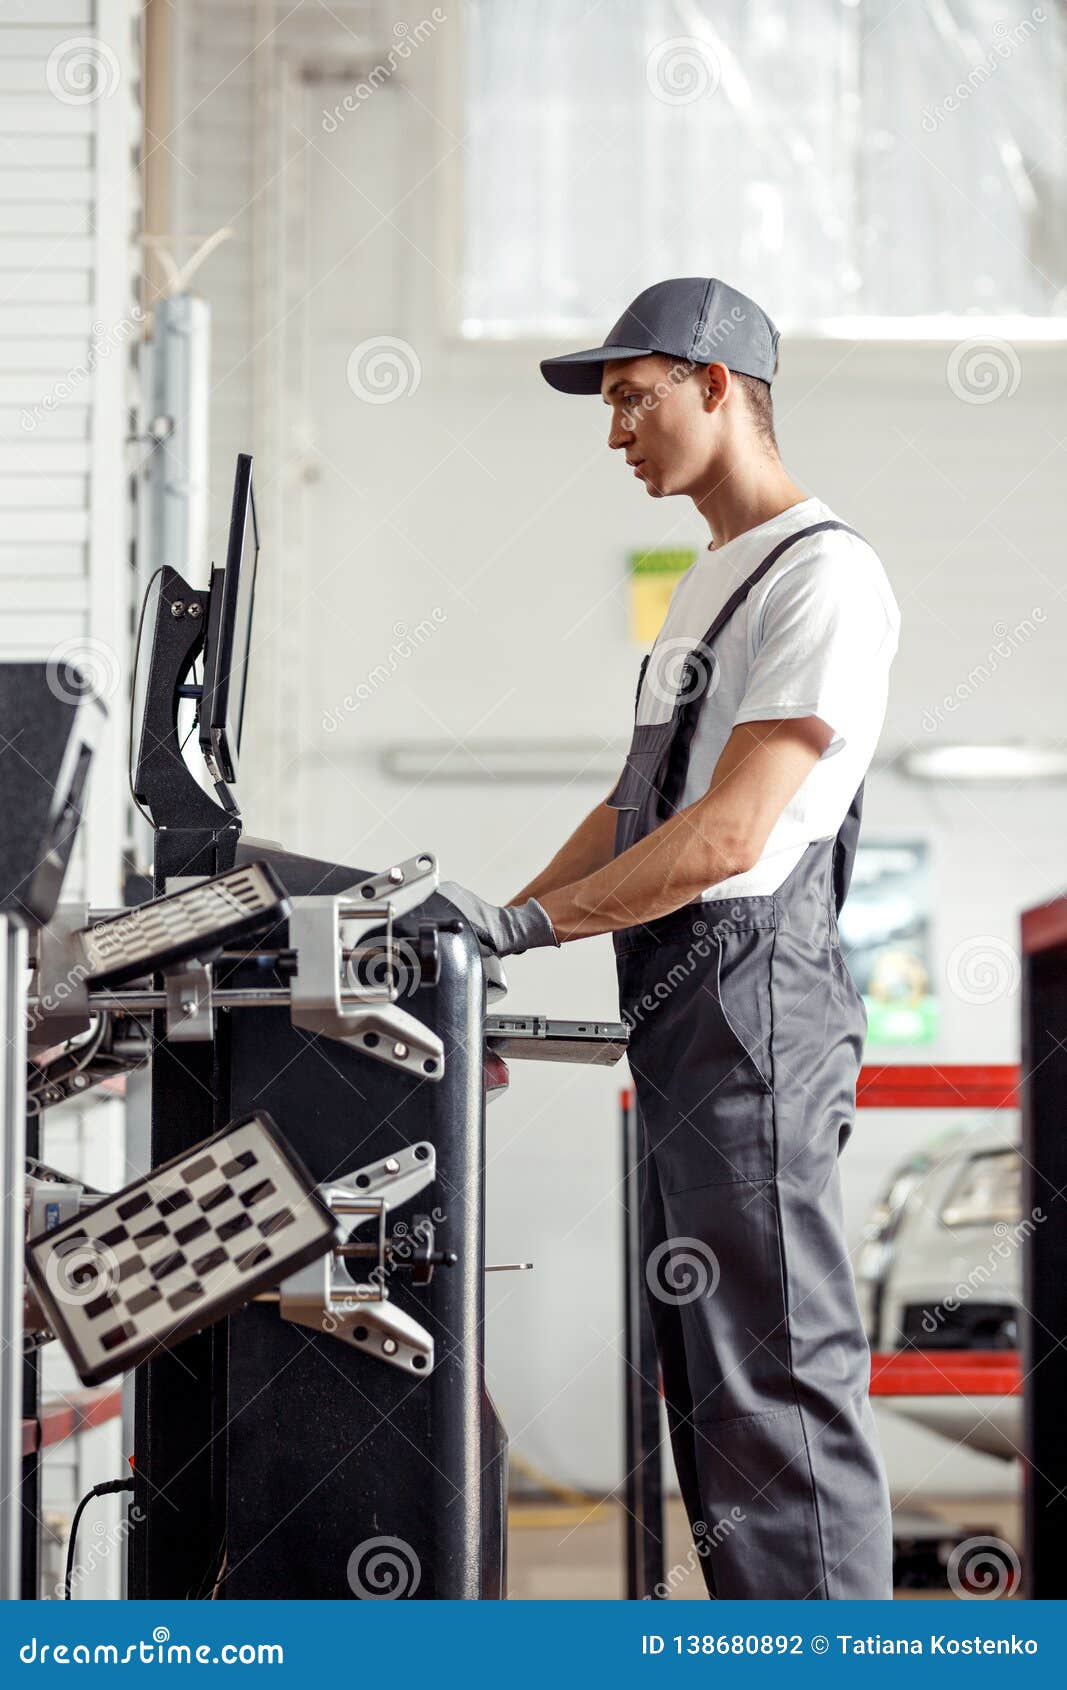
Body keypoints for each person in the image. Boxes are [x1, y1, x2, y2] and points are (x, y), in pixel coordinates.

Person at [441, 277, 900, 1600]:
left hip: (758, 1009)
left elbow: (730, 835)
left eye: (632, 398)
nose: (613, 431)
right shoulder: (712, 582)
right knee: (710, 1376)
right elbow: (633, 806)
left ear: (717, 385)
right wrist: (493, 928)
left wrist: (530, 921)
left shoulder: (825, 576)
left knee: (779, 1384)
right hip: (689, 1018)